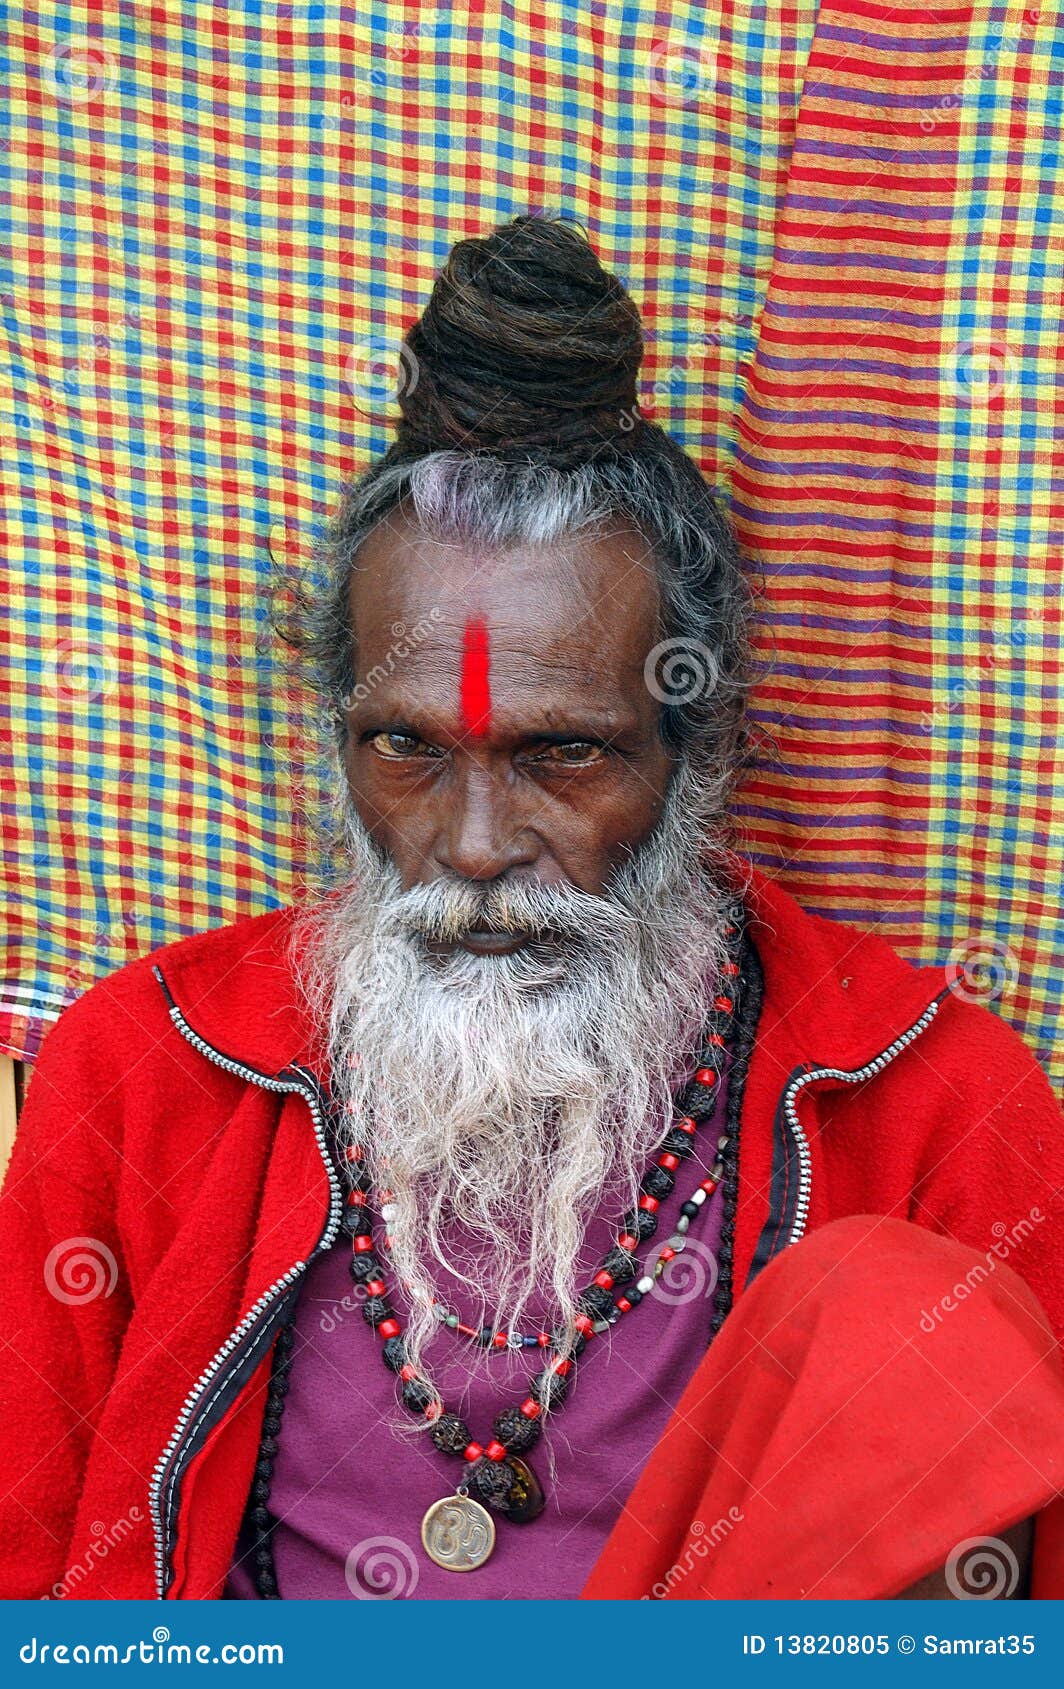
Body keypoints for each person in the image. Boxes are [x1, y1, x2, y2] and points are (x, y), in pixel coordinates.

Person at [0, 217, 1061, 1602]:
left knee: (900, 1327)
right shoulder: (138, 1071)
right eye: (406, 749)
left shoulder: (930, 1102)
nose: (477, 845)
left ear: (693, 749)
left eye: (563, 753)